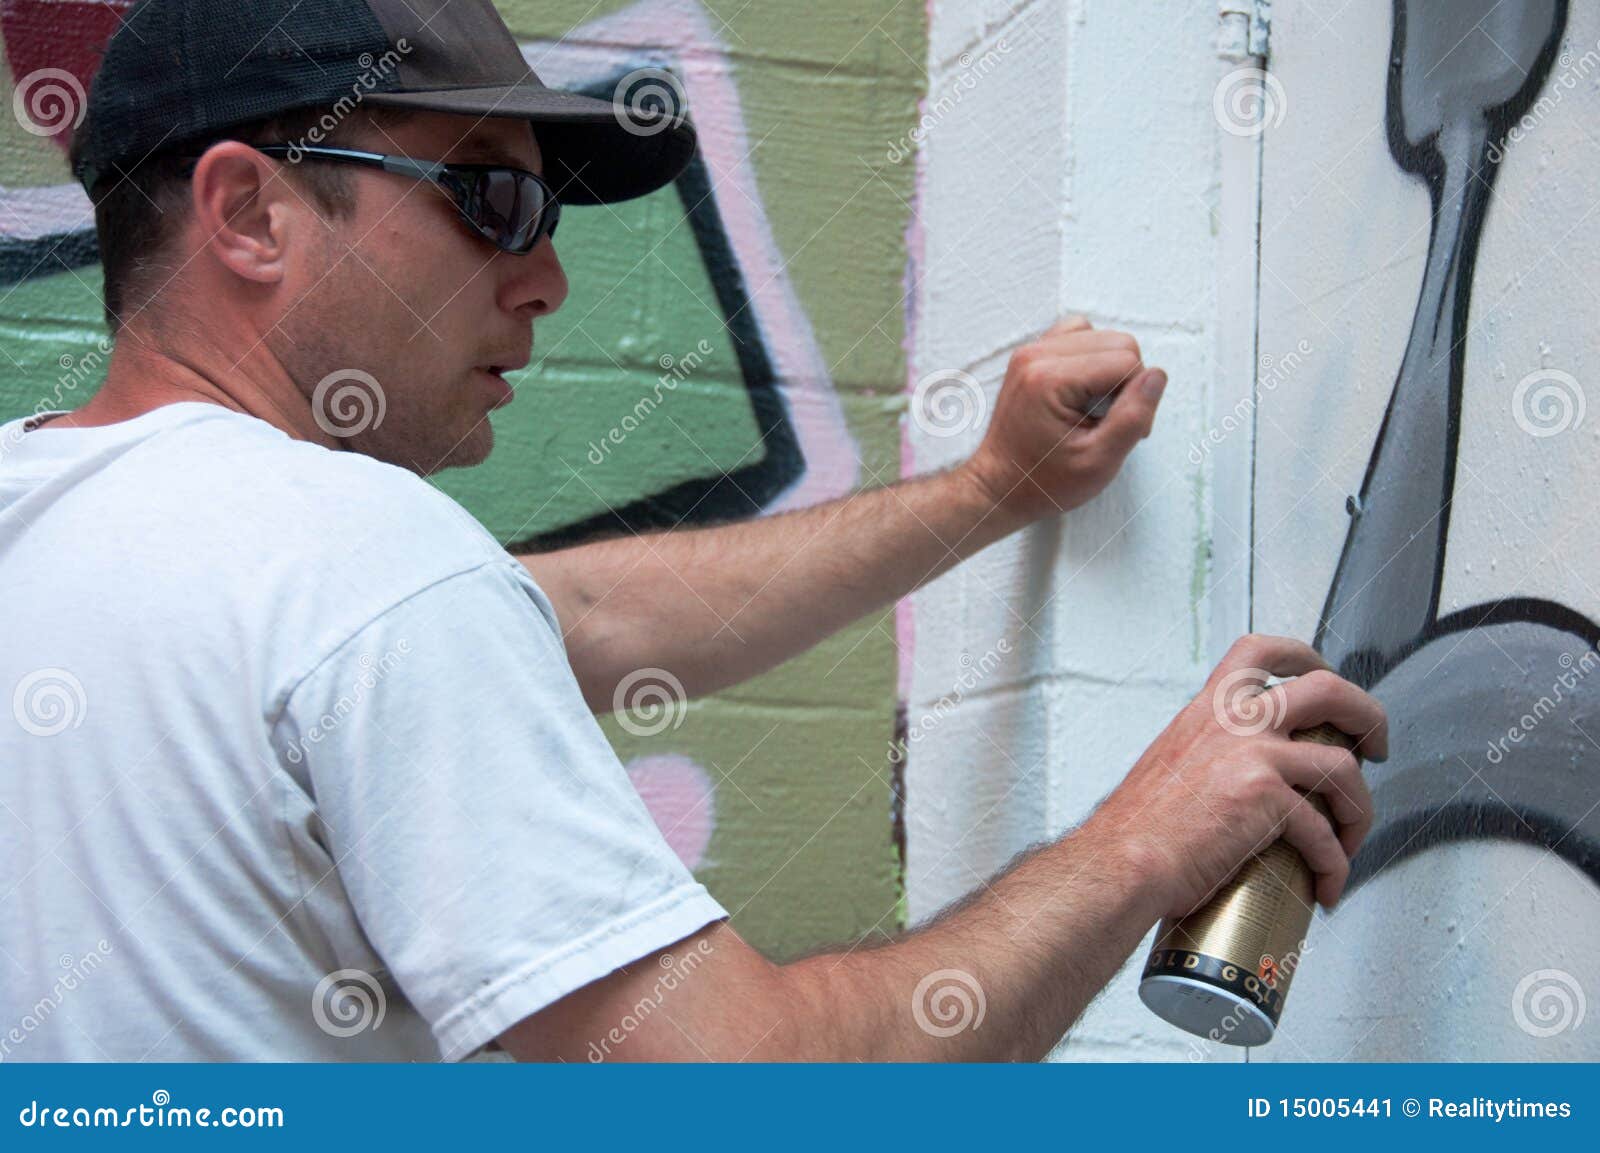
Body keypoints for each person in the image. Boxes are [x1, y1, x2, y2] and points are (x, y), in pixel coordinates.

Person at [0, 0, 1386, 1062]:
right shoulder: (356, 557)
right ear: (249, 211)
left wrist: (992, 494)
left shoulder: (75, 524)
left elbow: (586, 619)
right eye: (492, 195)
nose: (542, 276)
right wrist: (1149, 838)